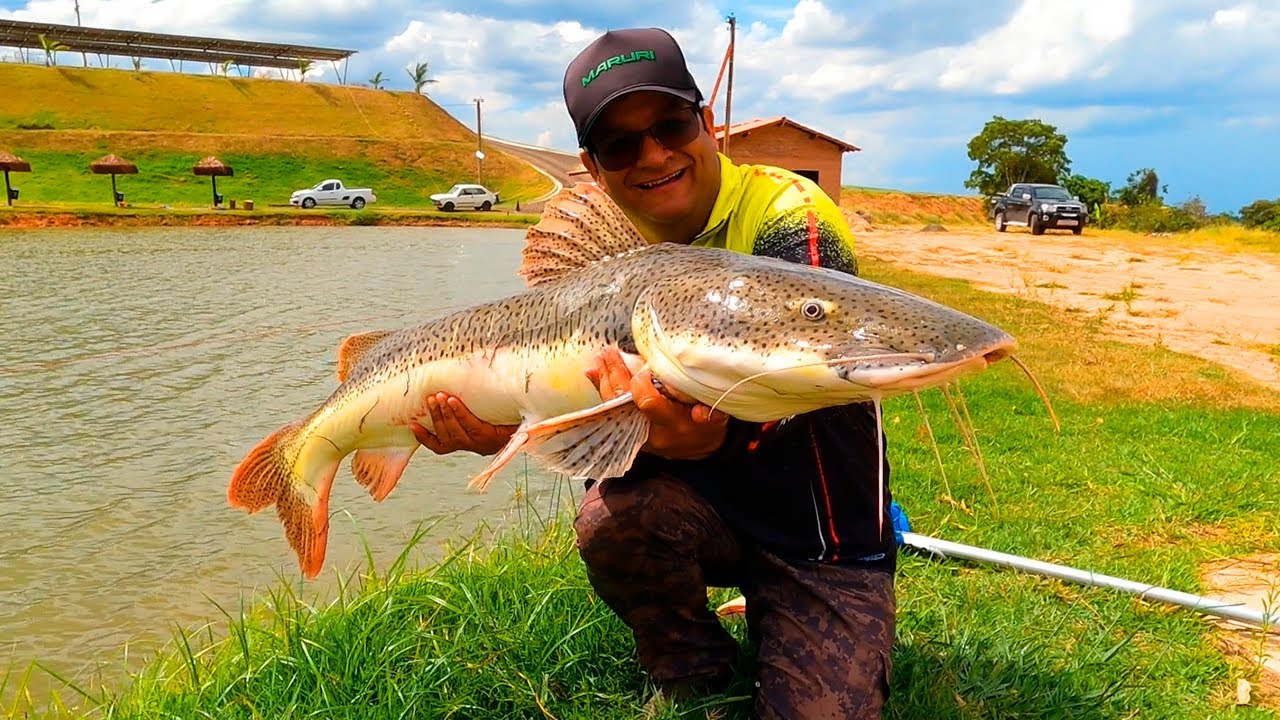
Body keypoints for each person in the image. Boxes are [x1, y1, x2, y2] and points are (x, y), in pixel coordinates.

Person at [411, 27, 895, 720]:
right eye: (621, 144)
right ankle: (691, 666)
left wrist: (712, 443)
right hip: (708, 518)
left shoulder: (792, 223)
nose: (654, 155)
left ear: (707, 122)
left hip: (823, 539)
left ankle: (800, 610)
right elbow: (584, 412)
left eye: (670, 125)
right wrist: (507, 431)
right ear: (594, 164)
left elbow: (818, 375)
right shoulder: (601, 261)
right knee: (611, 519)